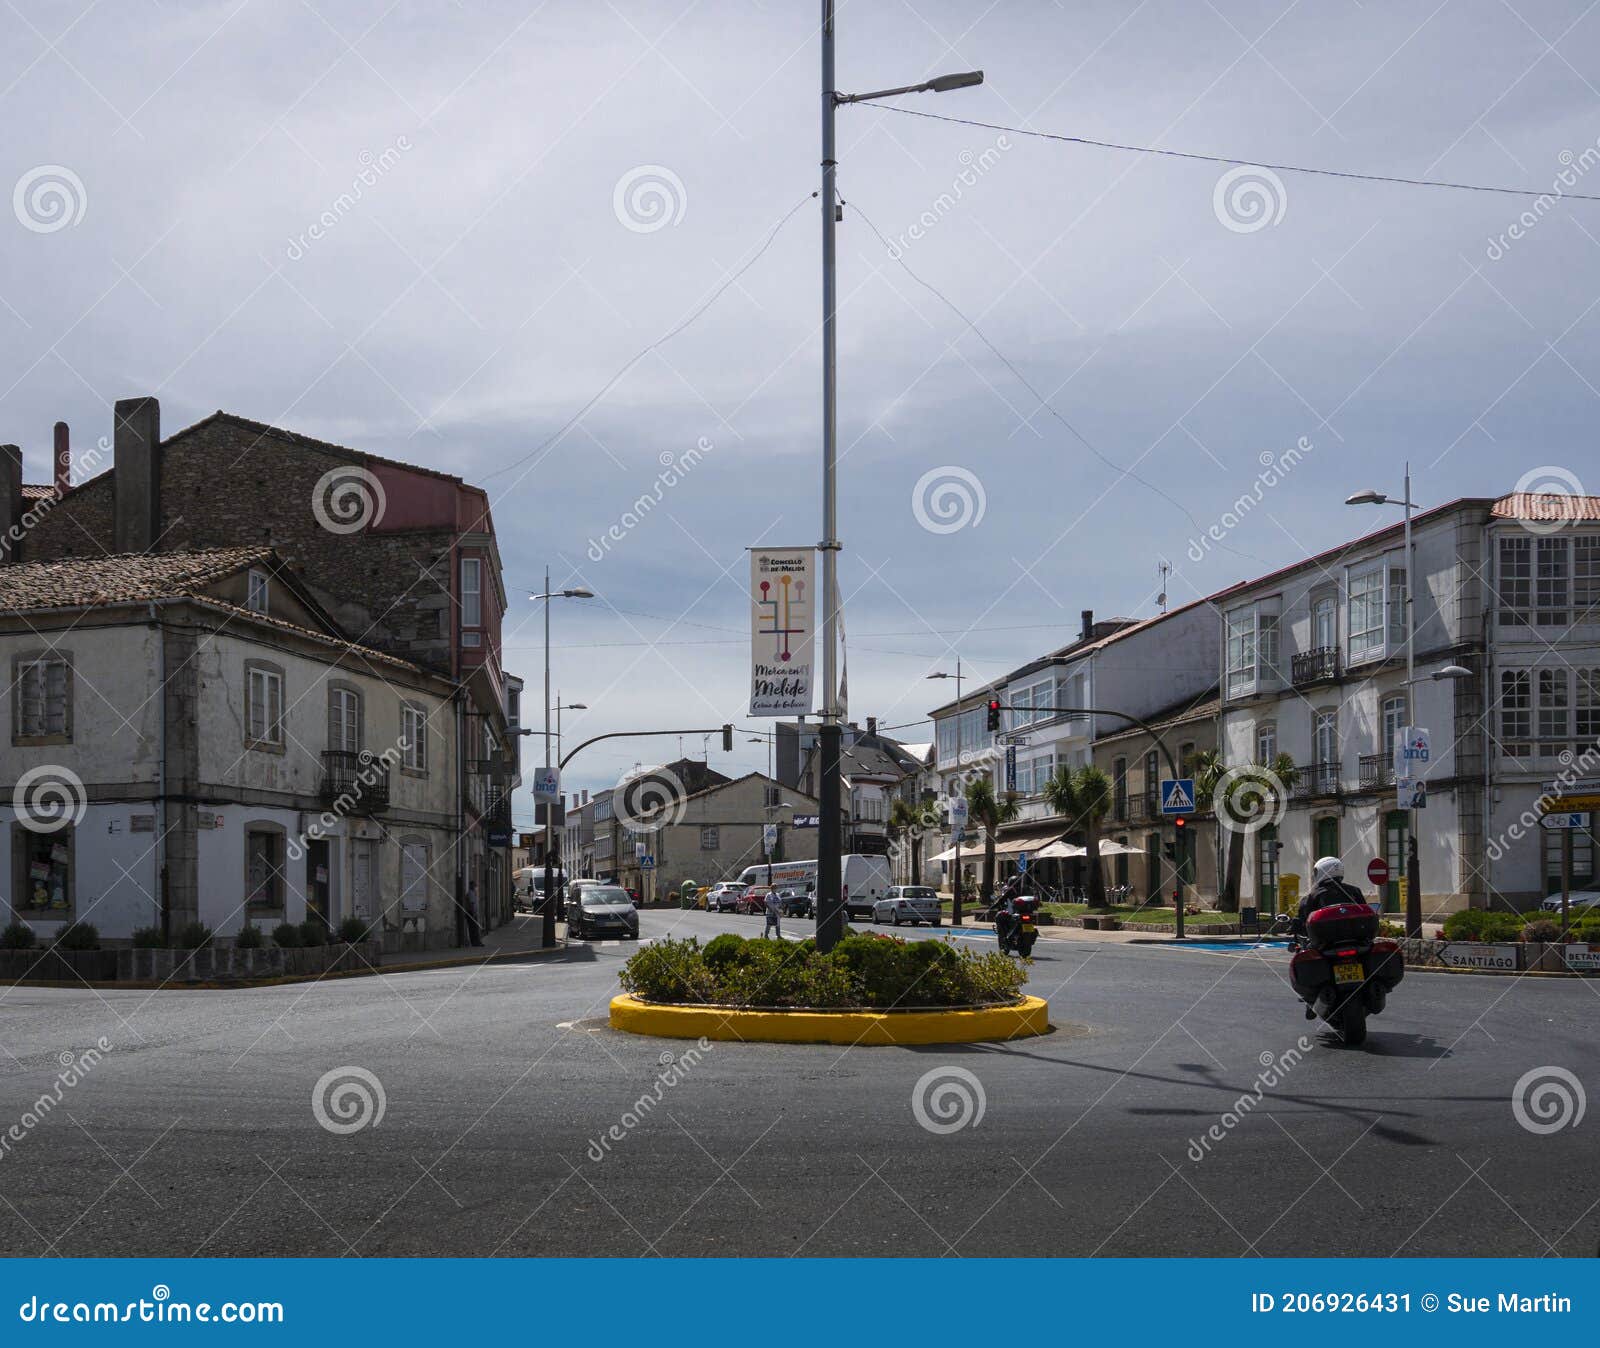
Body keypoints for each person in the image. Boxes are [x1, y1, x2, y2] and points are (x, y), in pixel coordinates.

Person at [1294, 856, 1366, 935]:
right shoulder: (1355, 890)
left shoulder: (1313, 895)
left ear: (1321, 871)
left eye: (1316, 871)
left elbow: (1303, 919)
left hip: (1324, 941)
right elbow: (1364, 912)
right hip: (1355, 937)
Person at [462, 878, 484, 947]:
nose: (476, 887)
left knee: (474, 928)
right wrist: (474, 913)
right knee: (474, 929)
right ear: (472, 886)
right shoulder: (471, 893)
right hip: (471, 913)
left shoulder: (472, 893)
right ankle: (476, 942)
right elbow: (472, 904)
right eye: (475, 886)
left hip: (472, 913)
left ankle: (476, 942)